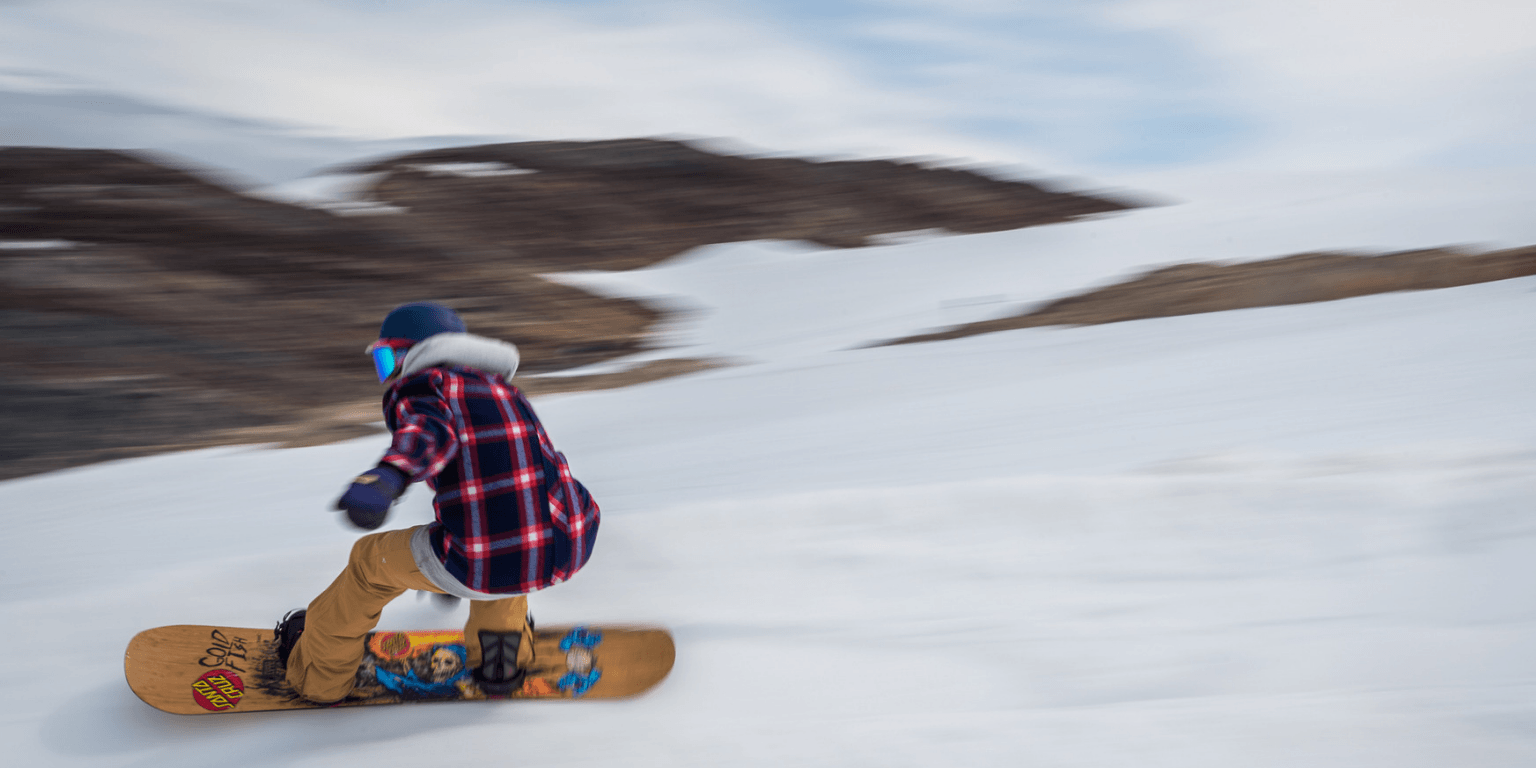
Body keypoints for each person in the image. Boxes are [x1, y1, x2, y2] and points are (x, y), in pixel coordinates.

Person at [274, 302, 601, 702]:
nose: (388, 373)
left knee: (367, 563)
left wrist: (388, 477)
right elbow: (510, 481)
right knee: (508, 539)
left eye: (386, 358)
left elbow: (429, 433)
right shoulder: (503, 390)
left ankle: (318, 676)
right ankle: (500, 665)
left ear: (412, 351)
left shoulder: (423, 385)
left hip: (487, 559)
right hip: (567, 540)